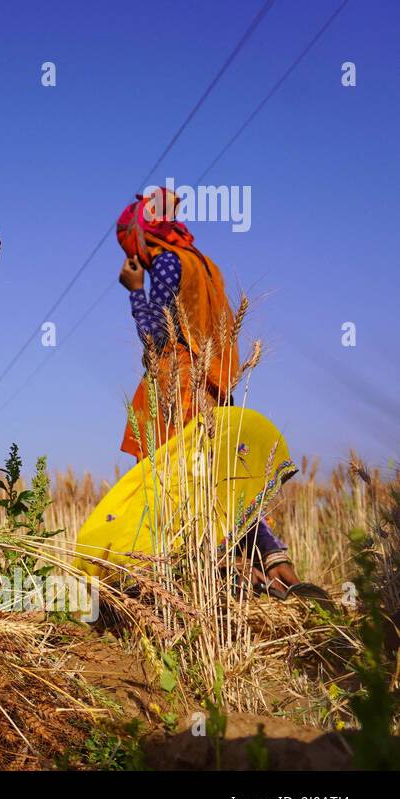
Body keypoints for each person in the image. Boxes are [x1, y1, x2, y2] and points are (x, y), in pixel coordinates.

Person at [112, 189, 300, 593]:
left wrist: (133, 288)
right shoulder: (204, 264)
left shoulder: (164, 264)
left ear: (140, 236)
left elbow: (156, 337)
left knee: (180, 487)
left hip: (178, 388)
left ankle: (226, 576)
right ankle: (272, 559)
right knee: (219, 480)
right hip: (213, 388)